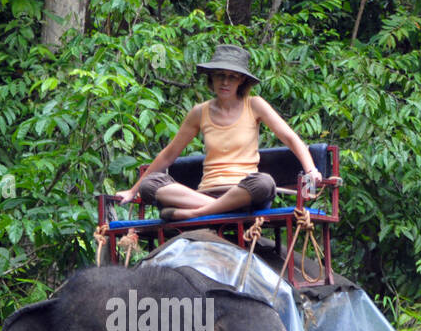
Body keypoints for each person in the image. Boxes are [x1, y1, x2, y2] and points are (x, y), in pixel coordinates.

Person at [116, 44, 323, 221]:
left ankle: (196, 213)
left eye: (232, 77)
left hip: (242, 193)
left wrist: (311, 170)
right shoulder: (199, 112)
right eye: (220, 76)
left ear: (241, 81)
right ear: (212, 78)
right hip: (207, 192)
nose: (225, 82)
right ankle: (217, 209)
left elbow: (290, 138)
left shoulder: (254, 105)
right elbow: (169, 154)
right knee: (150, 184)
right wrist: (133, 191)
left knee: (265, 183)